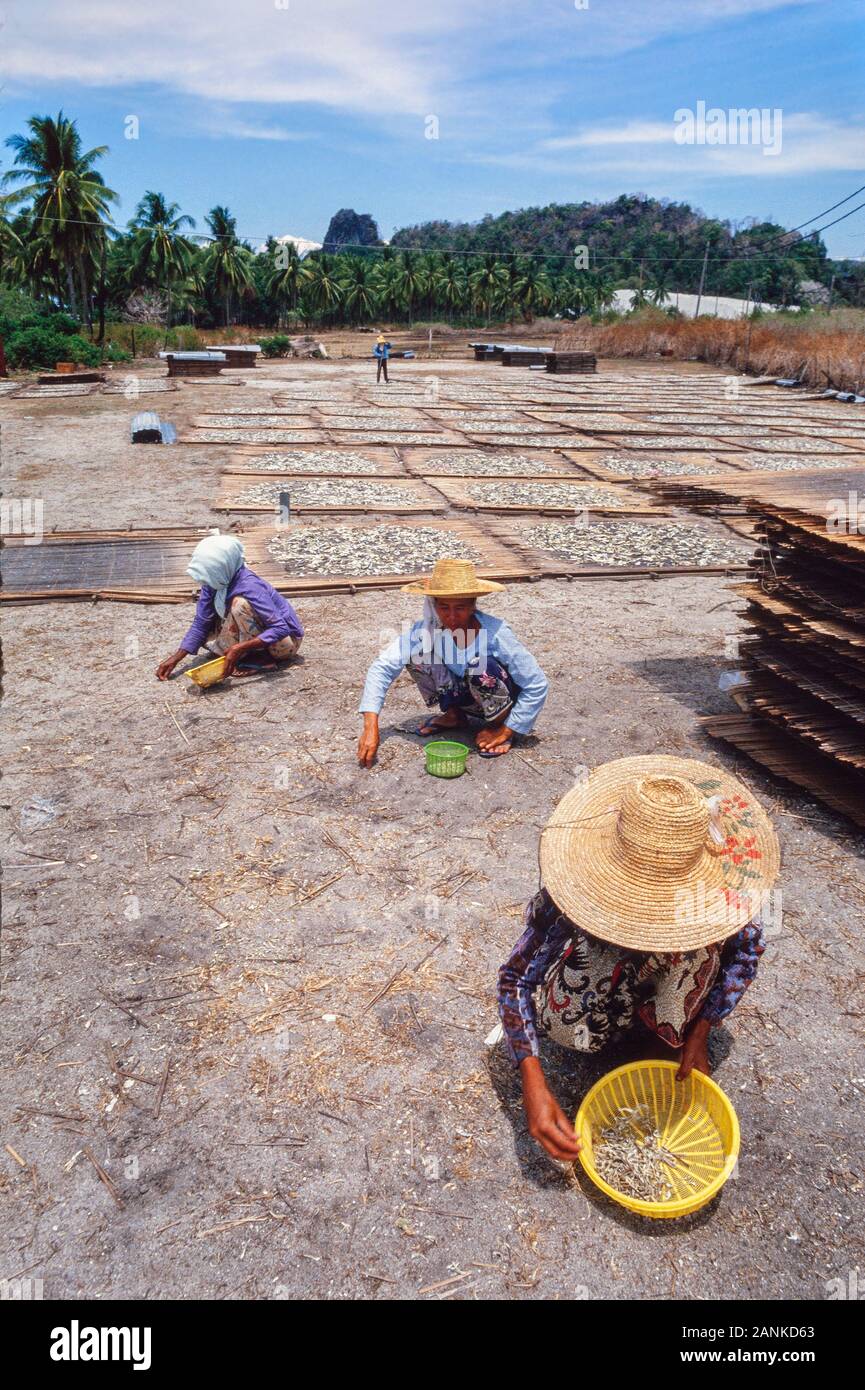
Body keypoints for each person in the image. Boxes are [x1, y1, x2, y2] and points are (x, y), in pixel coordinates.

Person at [497, 755, 779, 1162]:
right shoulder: (573, 889)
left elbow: (748, 950)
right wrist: (531, 1077)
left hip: (672, 980)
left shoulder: (716, 898)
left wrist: (702, 1029)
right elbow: (515, 979)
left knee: (693, 953)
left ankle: (659, 1030)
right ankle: (618, 1025)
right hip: (604, 983)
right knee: (587, 968)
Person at [357, 557, 548, 765]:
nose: (452, 617)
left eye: (460, 607)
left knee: (479, 667)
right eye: (444, 607)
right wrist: (370, 726)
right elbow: (382, 667)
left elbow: (536, 684)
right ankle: (455, 715)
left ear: (473, 604)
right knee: (417, 656)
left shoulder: (495, 633)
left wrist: (509, 728)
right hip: (470, 698)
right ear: (434, 605)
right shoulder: (427, 629)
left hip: (502, 702)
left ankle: (497, 728)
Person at [156, 535, 303, 681]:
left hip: (284, 642)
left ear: (224, 566)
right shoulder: (215, 582)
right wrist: (176, 658)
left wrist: (239, 648)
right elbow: (201, 622)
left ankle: (260, 658)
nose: (207, 579)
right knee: (206, 635)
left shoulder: (250, 585)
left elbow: (280, 628)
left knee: (239, 604)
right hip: (257, 631)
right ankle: (243, 651)